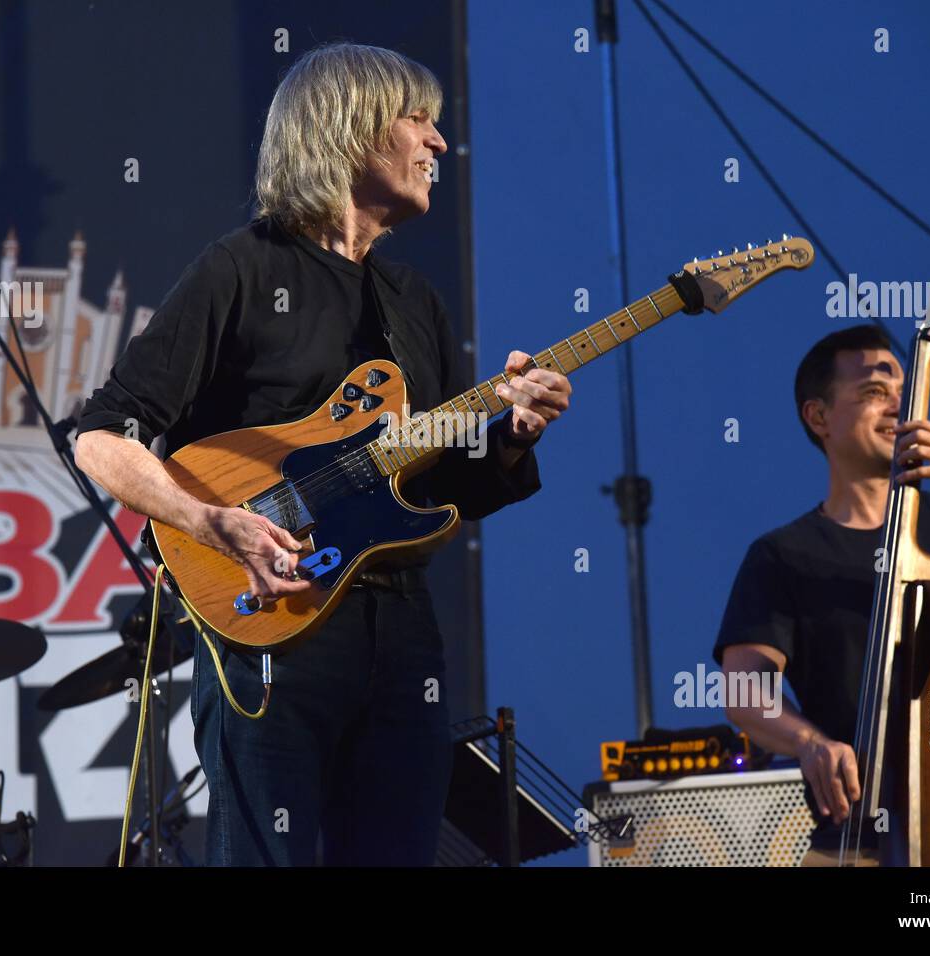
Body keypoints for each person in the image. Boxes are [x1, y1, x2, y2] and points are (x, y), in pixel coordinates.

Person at [74, 42, 572, 866]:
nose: (439, 144)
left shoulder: (413, 303)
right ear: (348, 128)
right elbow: (101, 433)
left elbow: (450, 486)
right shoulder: (242, 268)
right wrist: (212, 521)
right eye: (419, 120)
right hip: (272, 620)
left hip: (399, 630)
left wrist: (512, 433)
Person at [714, 324, 930, 867]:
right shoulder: (781, 554)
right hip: (857, 846)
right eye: (873, 394)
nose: (899, 409)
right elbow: (746, 690)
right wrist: (809, 742)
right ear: (819, 417)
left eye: (903, 393)